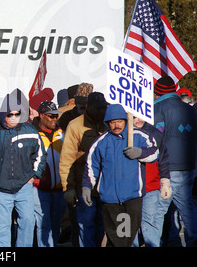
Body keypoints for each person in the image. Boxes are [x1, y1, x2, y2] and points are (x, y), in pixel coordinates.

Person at [0, 89, 46, 247]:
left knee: (27, 222)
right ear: (3, 113)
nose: (13, 117)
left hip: (24, 187)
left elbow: (40, 154)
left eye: (17, 114)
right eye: (10, 114)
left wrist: (34, 175)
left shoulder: (30, 131)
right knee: (2, 228)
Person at [82, 104, 159, 247]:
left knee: (126, 236)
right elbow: (91, 165)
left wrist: (140, 152)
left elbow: (154, 152)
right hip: (110, 198)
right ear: (108, 123)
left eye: (119, 121)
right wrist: (87, 186)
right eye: (113, 122)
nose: (116, 125)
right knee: (117, 237)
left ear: (125, 120)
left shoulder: (138, 135)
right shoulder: (101, 142)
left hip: (132, 196)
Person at [153, 76, 197, 246]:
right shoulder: (190, 109)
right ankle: (194, 239)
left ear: (157, 92)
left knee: (159, 211)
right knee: (186, 208)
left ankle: (163, 242)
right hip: (188, 166)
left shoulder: (158, 108)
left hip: (167, 167)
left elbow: (156, 138)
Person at [59, 92, 108, 247]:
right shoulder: (75, 125)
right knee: (85, 228)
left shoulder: (109, 123)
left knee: (103, 228)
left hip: (106, 188)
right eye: (98, 108)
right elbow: (67, 159)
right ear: (88, 107)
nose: (101, 111)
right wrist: (69, 188)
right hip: (83, 187)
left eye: (103, 107)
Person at [131, 116, 171, 247]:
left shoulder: (154, 133)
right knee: (130, 226)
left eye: (140, 116)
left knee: (149, 222)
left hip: (151, 187)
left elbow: (163, 158)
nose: (138, 120)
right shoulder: (122, 135)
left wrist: (165, 181)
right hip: (129, 190)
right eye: (134, 117)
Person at [31, 100, 65, 247]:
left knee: (56, 225)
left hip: (59, 189)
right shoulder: (32, 133)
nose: (54, 119)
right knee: (43, 225)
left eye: (56, 116)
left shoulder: (62, 134)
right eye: (51, 116)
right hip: (39, 189)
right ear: (42, 116)